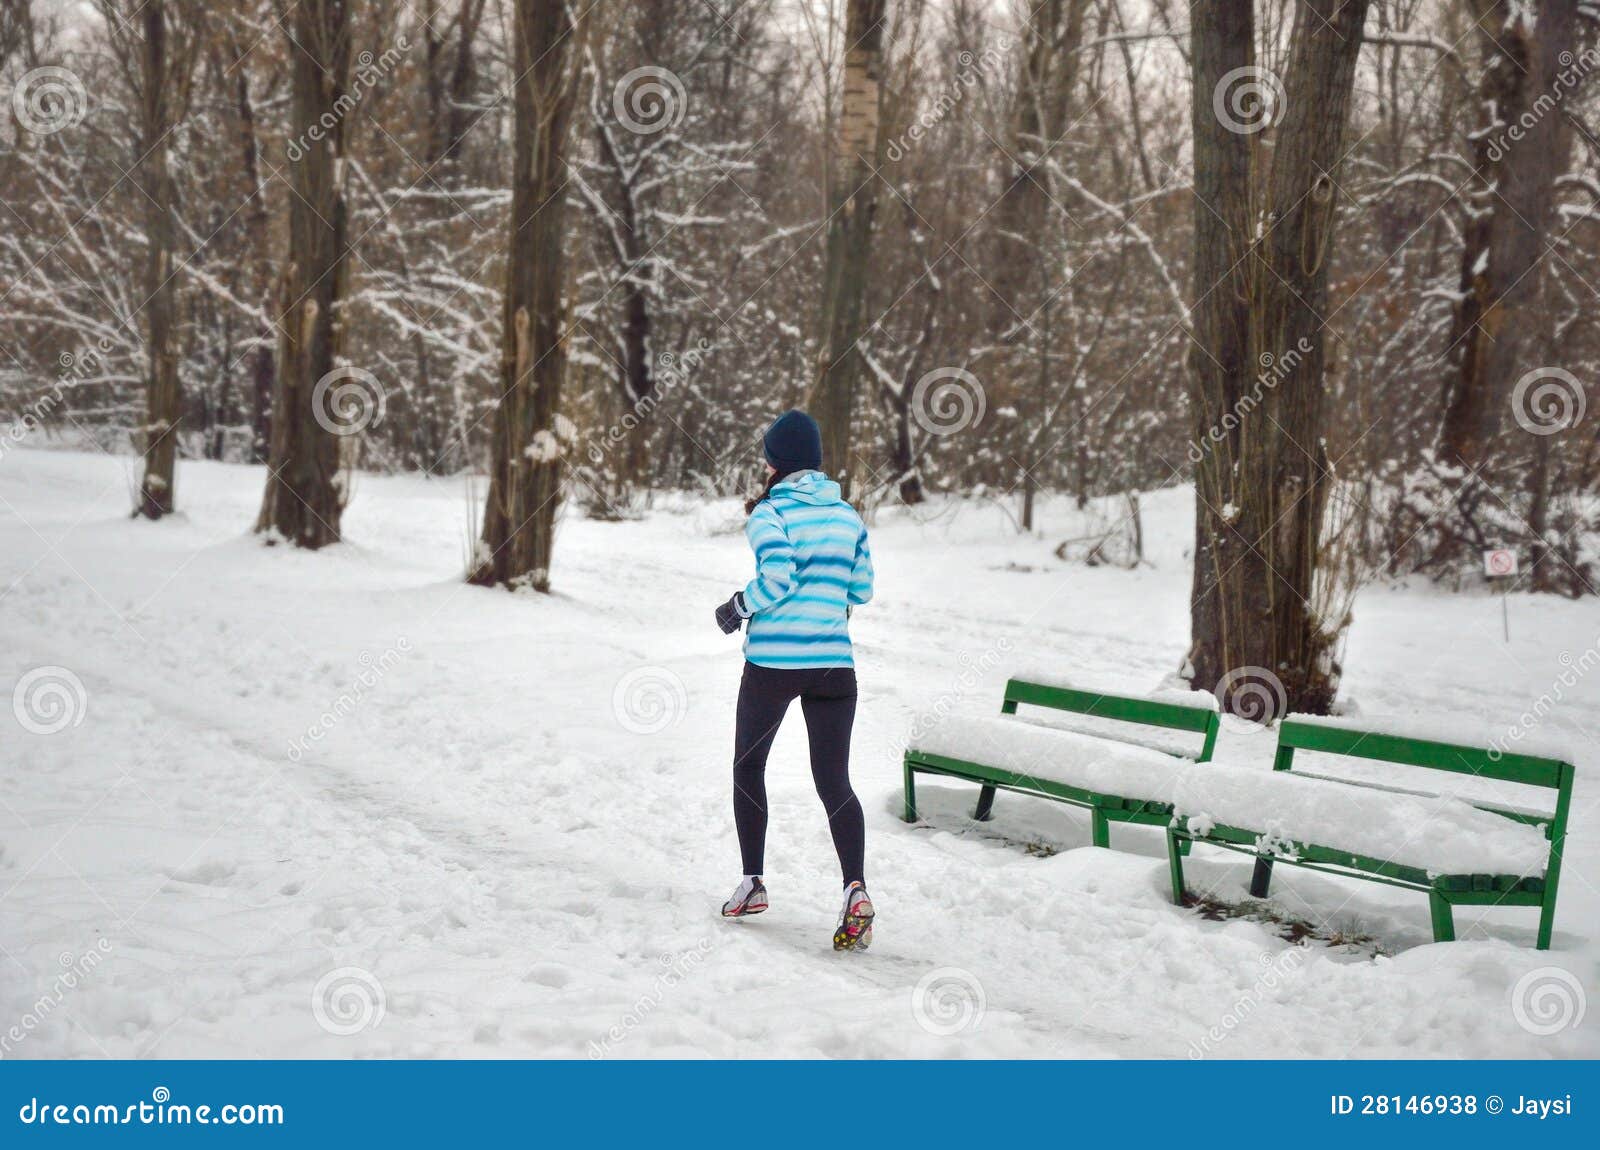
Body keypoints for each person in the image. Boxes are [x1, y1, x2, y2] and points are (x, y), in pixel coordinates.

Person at [713, 410, 876, 951]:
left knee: (748, 766)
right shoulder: (850, 518)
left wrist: (739, 606)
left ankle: (753, 882)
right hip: (834, 666)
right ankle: (856, 889)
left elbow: (777, 578)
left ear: (775, 461)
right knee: (835, 783)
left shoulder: (769, 514)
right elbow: (861, 591)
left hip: (774, 666)